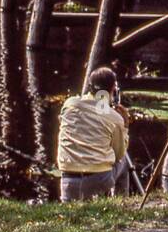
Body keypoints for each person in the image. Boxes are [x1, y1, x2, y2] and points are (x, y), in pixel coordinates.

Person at [56, 66, 130, 202]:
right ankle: (121, 203)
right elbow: (119, 154)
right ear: (113, 89)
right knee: (123, 161)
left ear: (89, 86)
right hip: (99, 179)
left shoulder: (69, 104)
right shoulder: (114, 117)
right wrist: (124, 125)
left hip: (68, 180)